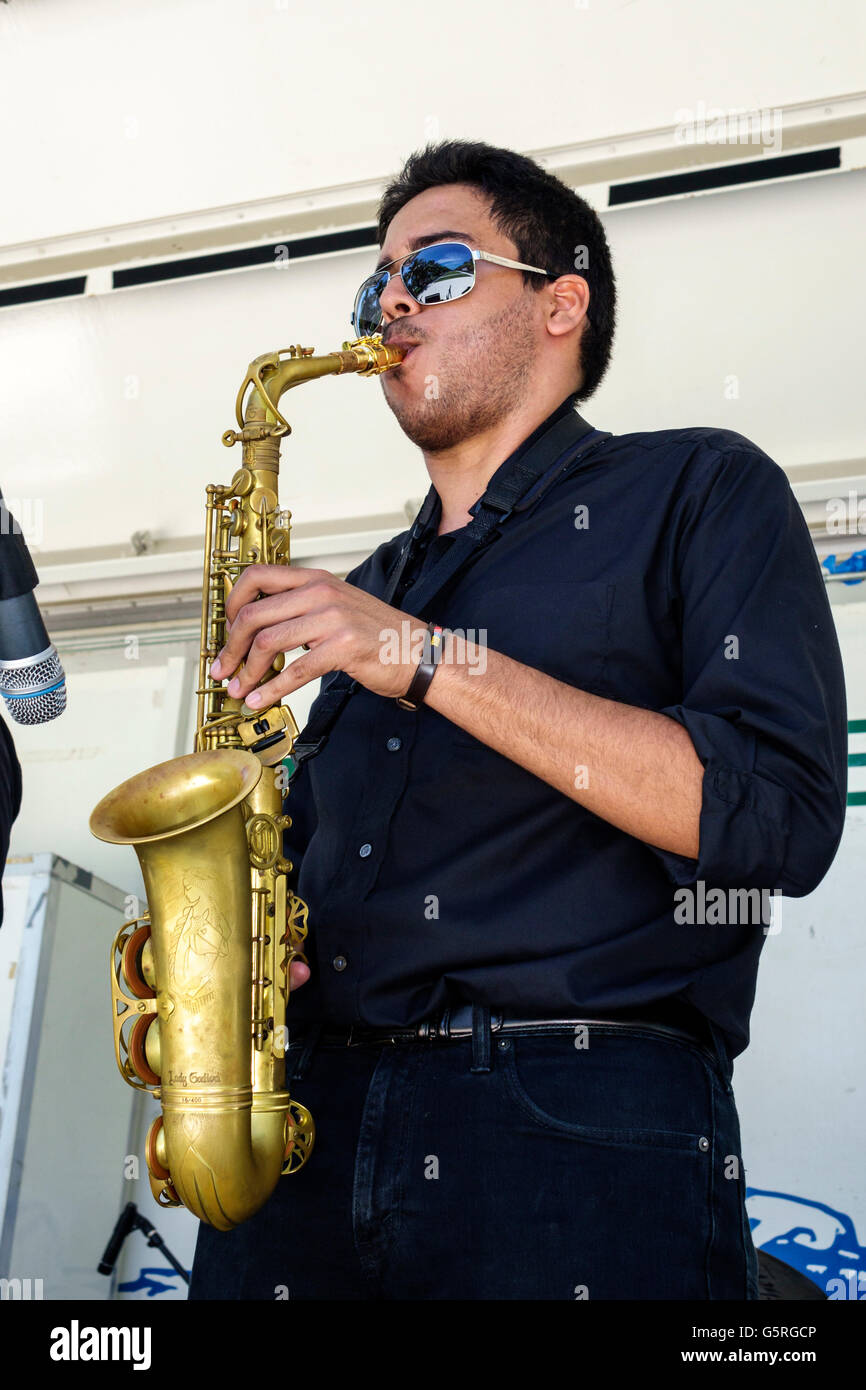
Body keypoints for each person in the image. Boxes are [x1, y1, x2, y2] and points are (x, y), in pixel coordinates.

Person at [189, 140, 847, 1300]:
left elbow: (775, 821)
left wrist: (415, 654)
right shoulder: (368, 589)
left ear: (561, 302)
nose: (388, 299)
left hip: (572, 1124)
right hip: (299, 1136)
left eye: (434, 270)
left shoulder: (698, 488)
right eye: (375, 281)